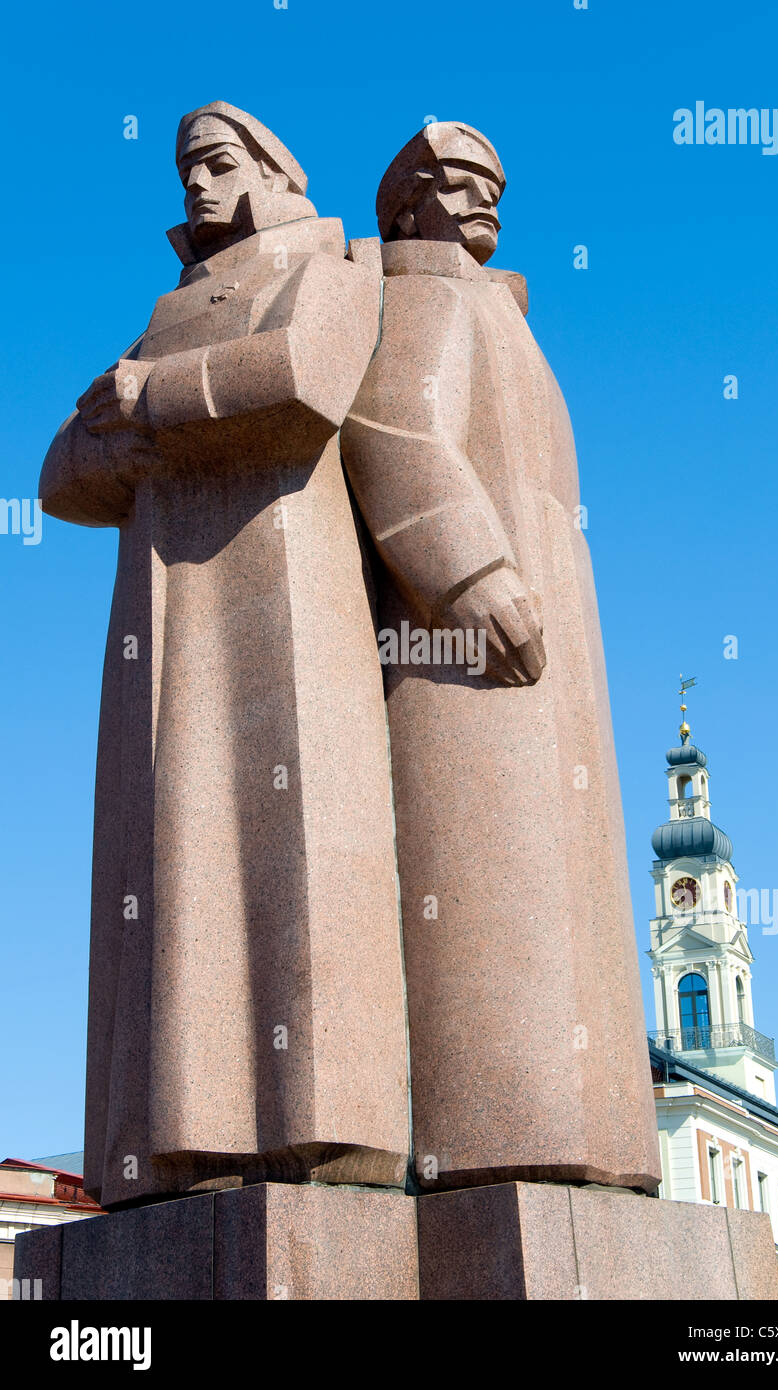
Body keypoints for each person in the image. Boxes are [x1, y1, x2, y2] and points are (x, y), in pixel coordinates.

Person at [40, 102, 410, 1208]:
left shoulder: (330, 263)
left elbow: (305, 380)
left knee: (289, 836)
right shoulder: (164, 310)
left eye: (214, 163)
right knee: (165, 858)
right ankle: (173, 1136)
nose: (194, 185)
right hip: (160, 617)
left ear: (268, 168)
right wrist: (114, 422)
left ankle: (317, 1123)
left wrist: (151, 400)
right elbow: (64, 476)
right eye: (182, 169)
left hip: (285, 587)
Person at [341, 122, 661, 1194]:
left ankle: (591, 1142)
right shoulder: (421, 292)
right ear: (405, 208)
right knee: (489, 882)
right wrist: (472, 574)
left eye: (490, 184)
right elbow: (391, 432)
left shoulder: (497, 307)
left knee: (561, 883)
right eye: (455, 183)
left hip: (545, 647)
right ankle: (500, 1141)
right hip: (465, 644)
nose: (481, 200)